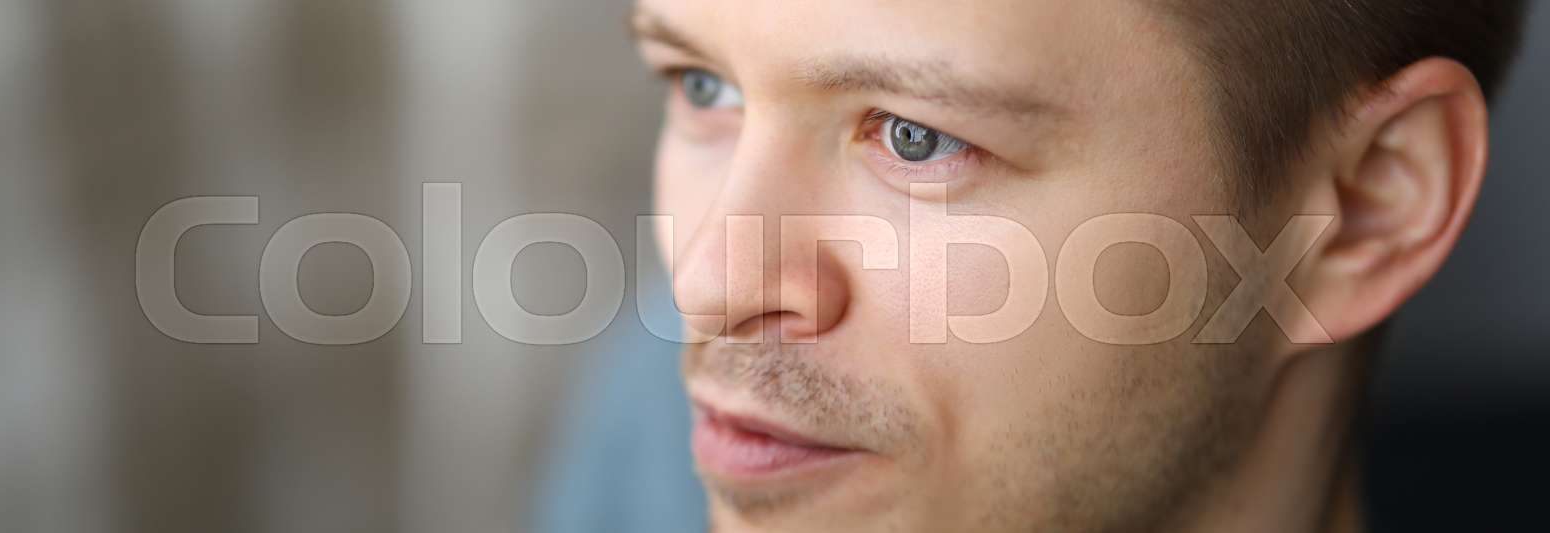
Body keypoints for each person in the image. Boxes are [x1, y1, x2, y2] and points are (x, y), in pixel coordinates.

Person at [543, 1, 1528, 532]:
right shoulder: (659, 434)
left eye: (916, 138)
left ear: (1364, 213)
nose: (708, 285)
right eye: (701, 84)